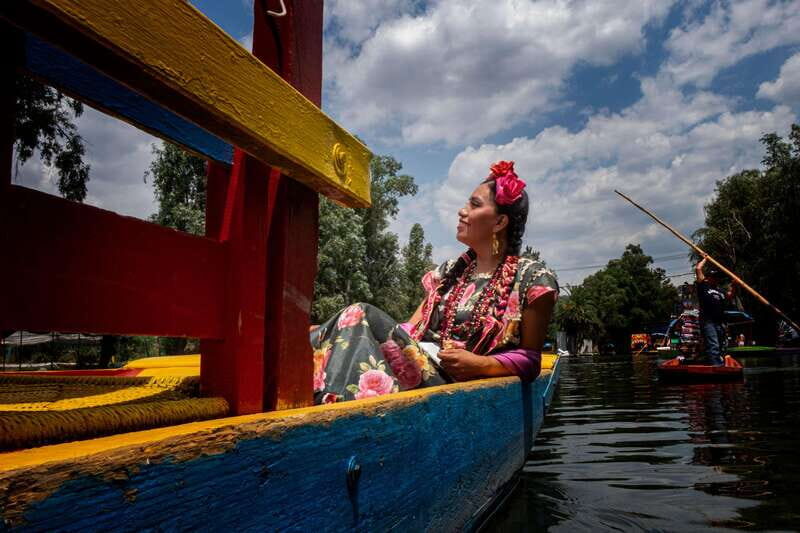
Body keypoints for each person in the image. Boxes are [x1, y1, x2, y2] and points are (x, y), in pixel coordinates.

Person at [310, 161, 558, 404]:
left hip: (457, 387)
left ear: (499, 222)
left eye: (474, 205)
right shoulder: (448, 272)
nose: (462, 211)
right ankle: (326, 402)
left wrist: (479, 364)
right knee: (331, 328)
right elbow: (410, 330)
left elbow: (530, 358)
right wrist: (338, 329)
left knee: (359, 312)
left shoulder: (533, 279)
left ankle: (328, 404)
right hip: (423, 367)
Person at [695, 255, 735, 366]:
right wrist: (705, 259)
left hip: (720, 322)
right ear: (708, 278)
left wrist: (734, 284)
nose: (716, 279)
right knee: (714, 345)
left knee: (721, 346)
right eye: (713, 276)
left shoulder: (720, 291)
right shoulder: (703, 286)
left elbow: (730, 296)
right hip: (708, 321)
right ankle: (716, 367)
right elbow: (698, 269)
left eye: (717, 277)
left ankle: (718, 363)